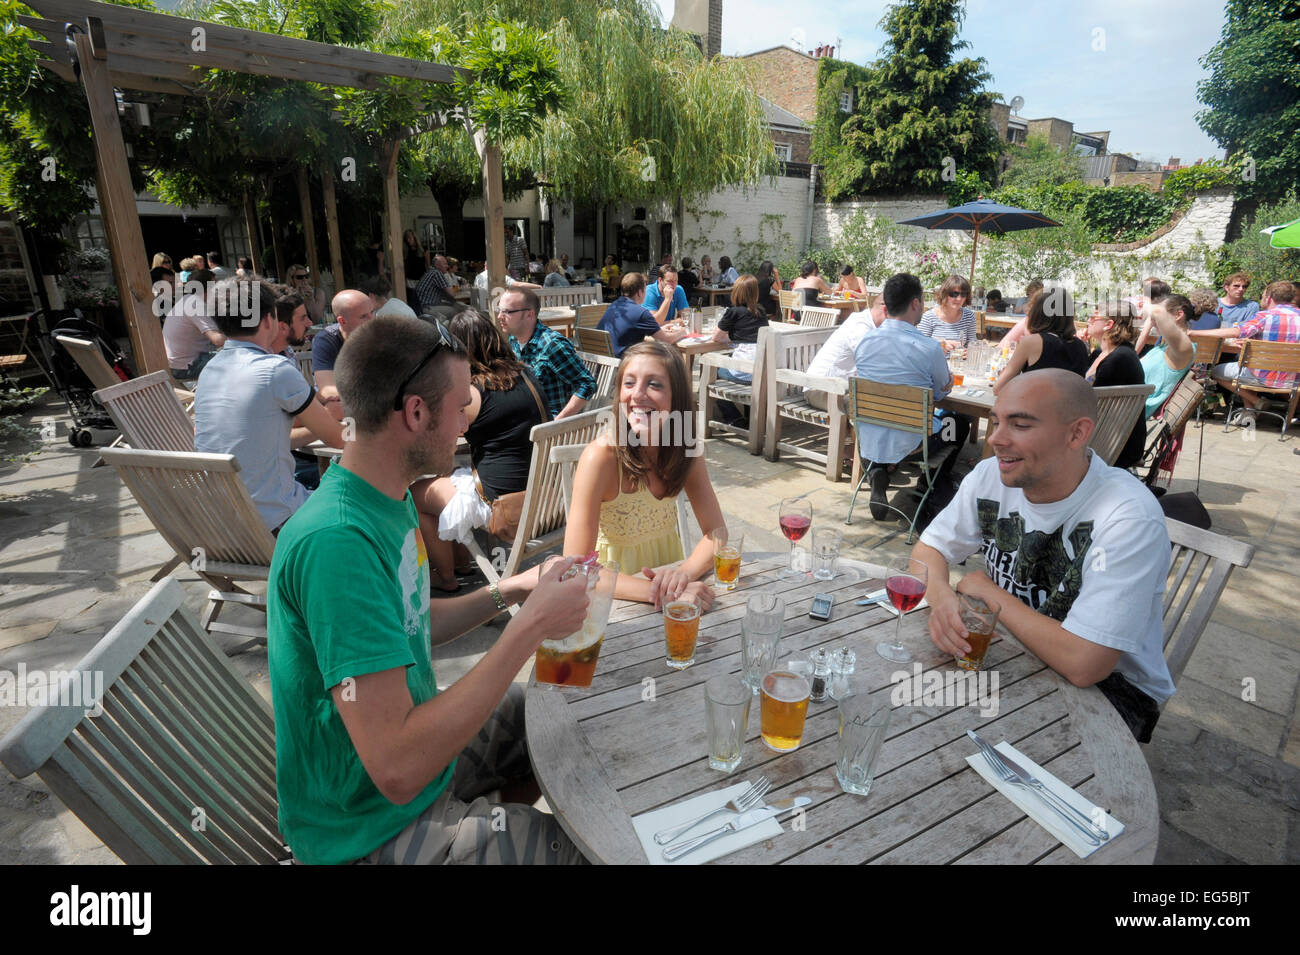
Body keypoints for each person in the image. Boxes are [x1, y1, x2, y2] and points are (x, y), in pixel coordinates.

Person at [267, 313, 591, 865]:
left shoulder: (387, 496)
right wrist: (531, 626)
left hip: (411, 777)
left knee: (547, 716)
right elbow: (396, 769)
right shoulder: (337, 543)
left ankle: (476, 826)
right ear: (415, 413)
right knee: (574, 853)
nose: (468, 422)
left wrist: (512, 589)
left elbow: (410, 621)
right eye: (462, 405)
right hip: (364, 826)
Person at [916, 369, 1174, 742]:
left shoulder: (1128, 516)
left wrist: (989, 592)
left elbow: (1085, 664)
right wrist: (941, 599)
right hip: (1014, 651)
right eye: (996, 421)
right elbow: (929, 549)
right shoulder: (991, 476)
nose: (997, 439)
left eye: (1020, 425)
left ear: (1077, 433)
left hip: (1112, 693)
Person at [563, 340, 720, 609]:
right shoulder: (601, 458)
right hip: (614, 595)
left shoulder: (685, 448)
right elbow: (577, 567)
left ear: (677, 397)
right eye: (629, 383)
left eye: (654, 384)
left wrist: (682, 575)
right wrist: (662, 591)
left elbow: (717, 531)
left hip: (668, 583)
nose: (637, 395)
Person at [409, 310, 549, 592]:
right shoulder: (527, 374)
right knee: (447, 480)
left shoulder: (472, 393)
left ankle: (447, 578)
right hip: (544, 500)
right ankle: (461, 563)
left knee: (414, 495)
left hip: (503, 506)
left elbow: (439, 439)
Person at [195, 281, 345, 532]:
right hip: (278, 522)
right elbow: (338, 439)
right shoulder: (275, 369)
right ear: (268, 320)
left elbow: (264, 440)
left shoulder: (210, 371)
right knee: (368, 502)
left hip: (222, 526)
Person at [853, 272, 969, 520]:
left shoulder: (865, 342)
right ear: (915, 304)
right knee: (958, 423)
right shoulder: (929, 349)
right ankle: (929, 485)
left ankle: (880, 469)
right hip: (914, 441)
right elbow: (938, 394)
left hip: (870, 433)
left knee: (900, 421)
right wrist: (947, 384)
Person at [497, 286, 596, 418]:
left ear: (529, 314)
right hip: (528, 417)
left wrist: (558, 422)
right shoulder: (514, 339)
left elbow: (587, 384)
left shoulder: (552, 345)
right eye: (499, 310)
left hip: (550, 425)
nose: (499, 316)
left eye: (507, 312)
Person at [1202, 280, 1300, 413]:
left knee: (1217, 371)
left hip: (1259, 377)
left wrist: (1195, 332)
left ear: (1269, 298)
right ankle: (1251, 411)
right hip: (1293, 381)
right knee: (1246, 366)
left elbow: (1237, 332)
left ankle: (1253, 404)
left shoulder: (1264, 316)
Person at [1082, 302, 1146, 469]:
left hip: (1113, 444)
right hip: (1106, 434)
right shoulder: (1103, 353)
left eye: (1093, 317)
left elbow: (1087, 402)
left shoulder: (1119, 359)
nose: (1088, 320)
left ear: (1109, 324)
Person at [993, 289, 1089, 392]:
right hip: (1070, 407)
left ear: (1037, 313)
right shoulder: (1081, 346)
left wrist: (1006, 375)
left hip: (1036, 406)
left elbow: (998, 388)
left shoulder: (1032, 342)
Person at [803, 294, 886, 412]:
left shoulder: (874, 325)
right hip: (820, 389)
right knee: (867, 407)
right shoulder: (860, 326)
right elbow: (872, 365)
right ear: (886, 309)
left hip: (843, 388)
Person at [709, 274, 769, 425]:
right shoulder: (761, 312)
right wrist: (733, 337)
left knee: (709, 370)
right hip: (761, 372)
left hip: (744, 372)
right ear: (755, 293)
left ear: (735, 292)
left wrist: (727, 335)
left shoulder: (733, 312)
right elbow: (748, 335)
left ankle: (733, 417)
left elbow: (716, 337)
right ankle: (750, 418)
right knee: (742, 365)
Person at [598, 272, 688, 355]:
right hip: (623, 364)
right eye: (645, 290)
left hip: (605, 362)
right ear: (639, 293)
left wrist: (659, 329)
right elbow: (666, 340)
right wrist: (683, 332)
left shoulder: (615, 305)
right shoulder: (641, 313)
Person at [1137, 294, 1195, 416]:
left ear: (1178, 315)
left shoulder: (1183, 349)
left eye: (1153, 318)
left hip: (1132, 414)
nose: (1152, 322)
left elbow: (1158, 312)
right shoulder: (1164, 347)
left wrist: (1147, 302)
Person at [311, 288, 377, 397]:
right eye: (364, 316)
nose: (373, 320)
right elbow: (328, 391)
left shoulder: (382, 335)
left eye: (372, 312)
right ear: (342, 321)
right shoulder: (326, 340)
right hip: (350, 403)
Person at [163, 268, 225, 380]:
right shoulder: (196, 304)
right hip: (186, 367)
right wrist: (246, 336)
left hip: (179, 364)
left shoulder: (187, 299)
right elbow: (218, 340)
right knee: (237, 362)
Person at [918, 274, 978, 352]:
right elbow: (919, 345)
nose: (959, 298)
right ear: (944, 294)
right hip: (935, 362)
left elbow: (972, 343)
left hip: (960, 362)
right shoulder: (929, 317)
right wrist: (939, 345)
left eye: (963, 294)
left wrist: (969, 352)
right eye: (954, 294)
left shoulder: (969, 316)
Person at [1001, 280, 1045, 348]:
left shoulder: (1042, 302)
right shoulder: (1023, 300)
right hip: (1017, 324)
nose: (1033, 295)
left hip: (1033, 327)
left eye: (1036, 292)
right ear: (1028, 292)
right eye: (1032, 292)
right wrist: (1023, 307)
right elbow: (1015, 311)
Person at [402, 230, 429, 309]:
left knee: (422, 300)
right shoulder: (406, 250)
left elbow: (428, 265)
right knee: (412, 301)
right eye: (406, 239)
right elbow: (404, 266)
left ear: (414, 237)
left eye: (409, 238)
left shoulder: (423, 249)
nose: (408, 240)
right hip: (410, 280)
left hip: (421, 279)